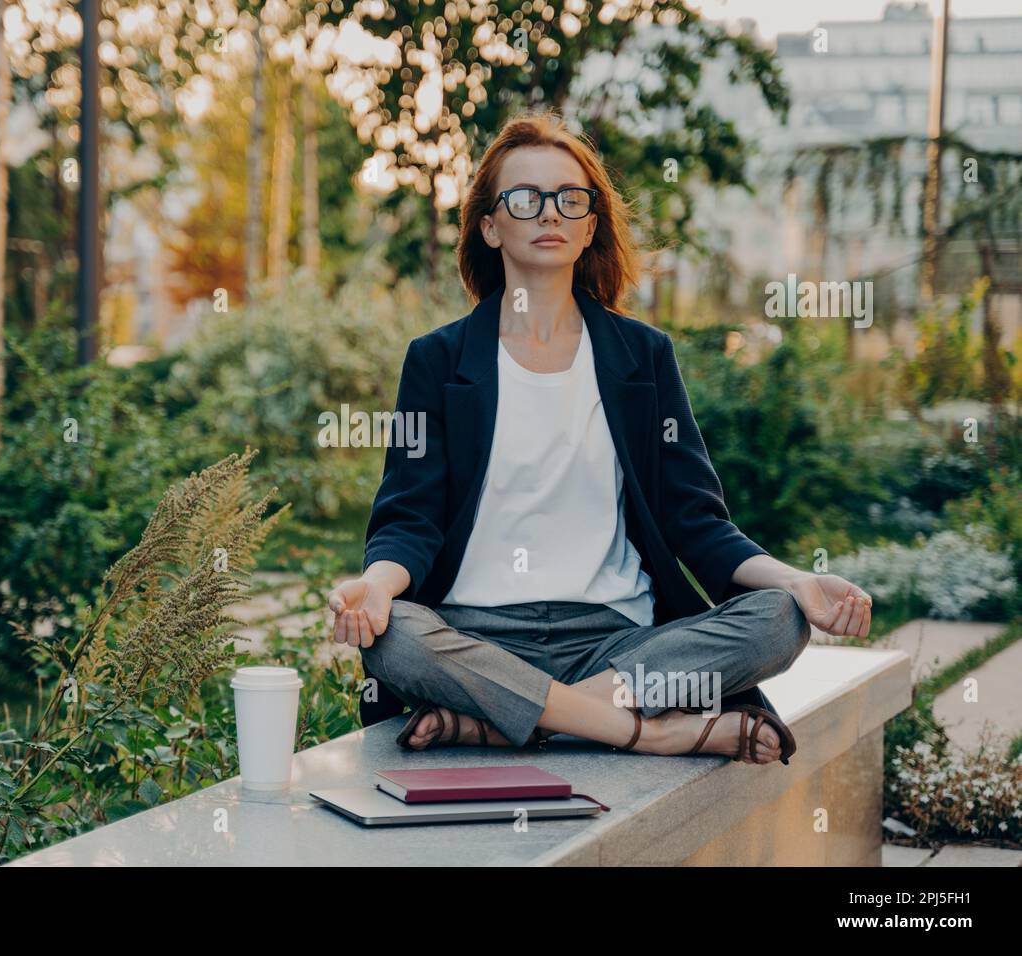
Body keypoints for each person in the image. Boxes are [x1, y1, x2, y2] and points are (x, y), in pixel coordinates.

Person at [326, 110, 872, 765]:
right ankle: (641, 729)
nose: (549, 213)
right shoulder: (438, 362)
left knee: (779, 618)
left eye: (569, 199)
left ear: (590, 226)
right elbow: (409, 517)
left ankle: (510, 721)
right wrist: (379, 588)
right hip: (476, 636)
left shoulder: (642, 358)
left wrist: (799, 583)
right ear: (490, 226)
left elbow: (695, 522)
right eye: (525, 199)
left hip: (618, 643)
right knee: (394, 637)